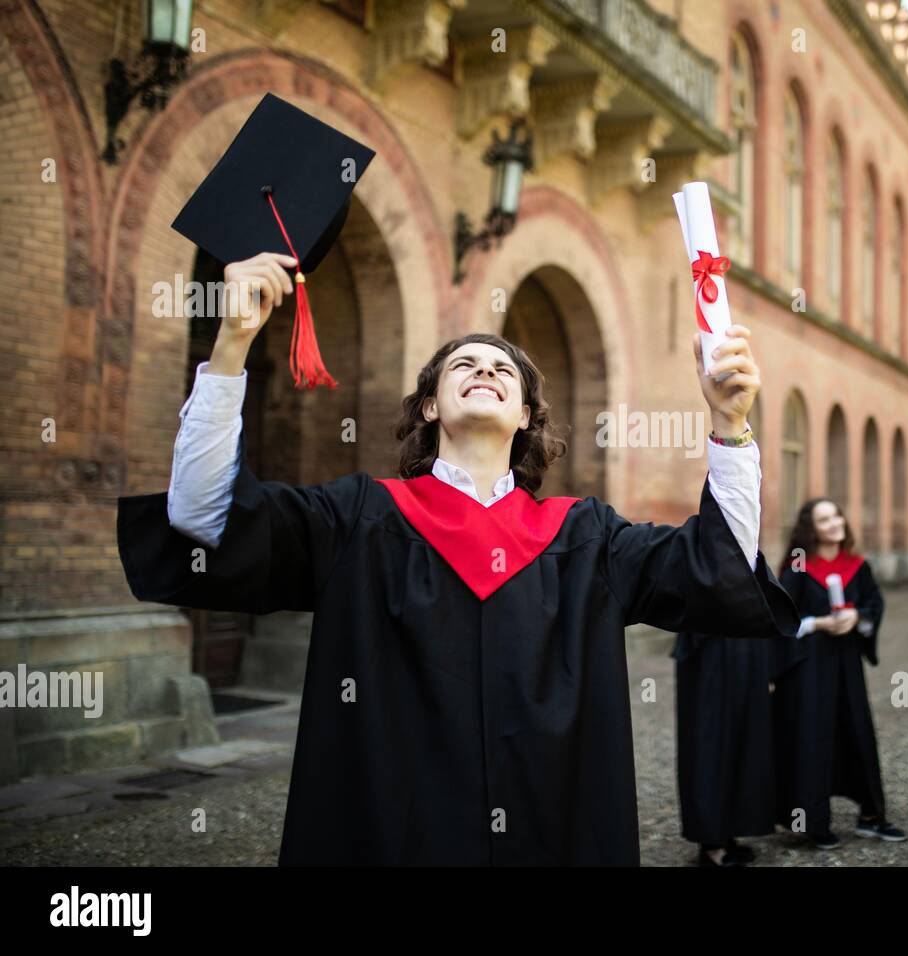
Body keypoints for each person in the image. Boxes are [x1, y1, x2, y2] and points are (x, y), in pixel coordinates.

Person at [117, 239, 798, 863]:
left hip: (544, 832)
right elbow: (204, 517)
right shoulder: (360, 519)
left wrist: (729, 423)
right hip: (390, 832)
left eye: (503, 368)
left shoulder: (584, 538)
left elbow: (722, 567)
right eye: (463, 364)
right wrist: (233, 344)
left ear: (526, 414)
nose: (484, 369)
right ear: (430, 408)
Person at [769, 498, 906, 849]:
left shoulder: (857, 566)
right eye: (824, 519)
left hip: (846, 665)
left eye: (836, 516)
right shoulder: (798, 567)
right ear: (811, 529)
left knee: (856, 731)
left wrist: (857, 617)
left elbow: (874, 604)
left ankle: (871, 815)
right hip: (810, 667)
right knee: (813, 736)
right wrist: (821, 622)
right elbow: (782, 619)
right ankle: (813, 821)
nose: (834, 523)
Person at [672, 625, 778, 867]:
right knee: (710, 740)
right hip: (710, 650)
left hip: (745, 644)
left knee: (743, 738)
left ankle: (729, 831)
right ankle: (711, 844)